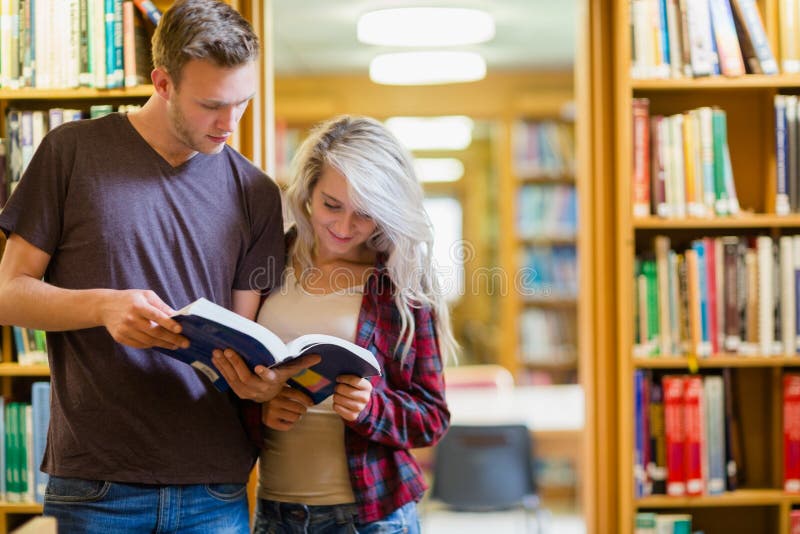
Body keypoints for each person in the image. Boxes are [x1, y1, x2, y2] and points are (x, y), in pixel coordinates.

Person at [0, 1, 314, 532]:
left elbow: (246, 337)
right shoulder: (69, 153)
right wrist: (101, 306)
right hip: (96, 484)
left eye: (243, 103)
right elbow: (8, 293)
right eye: (212, 104)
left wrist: (261, 384)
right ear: (163, 82)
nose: (230, 124)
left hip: (216, 486)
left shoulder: (257, 192)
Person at [213, 115, 457, 533]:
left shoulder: (401, 282)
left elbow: (432, 417)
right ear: (308, 189)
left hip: (372, 519)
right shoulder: (268, 258)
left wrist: (371, 408)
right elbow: (229, 379)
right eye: (331, 205)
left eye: (365, 214)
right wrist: (263, 406)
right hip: (274, 512)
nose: (345, 228)